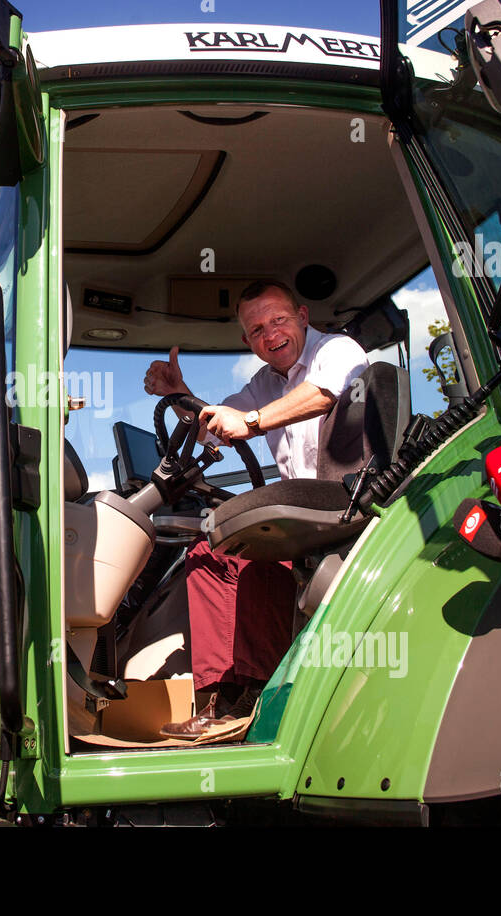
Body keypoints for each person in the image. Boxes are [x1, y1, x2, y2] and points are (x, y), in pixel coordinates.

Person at [142, 280, 368, 738]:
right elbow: (215, 428)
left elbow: (327, 393)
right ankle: (227, 696)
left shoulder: (338, 350)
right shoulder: (265, 383)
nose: (271, 334)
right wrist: (182, 395)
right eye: (258, 329)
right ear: (247, 340)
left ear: (302, 317)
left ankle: (254, 688)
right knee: (210, 553)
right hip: (305, 513)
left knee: (250, 549)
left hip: (347, 502)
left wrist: (251, 421)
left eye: (279, 320)